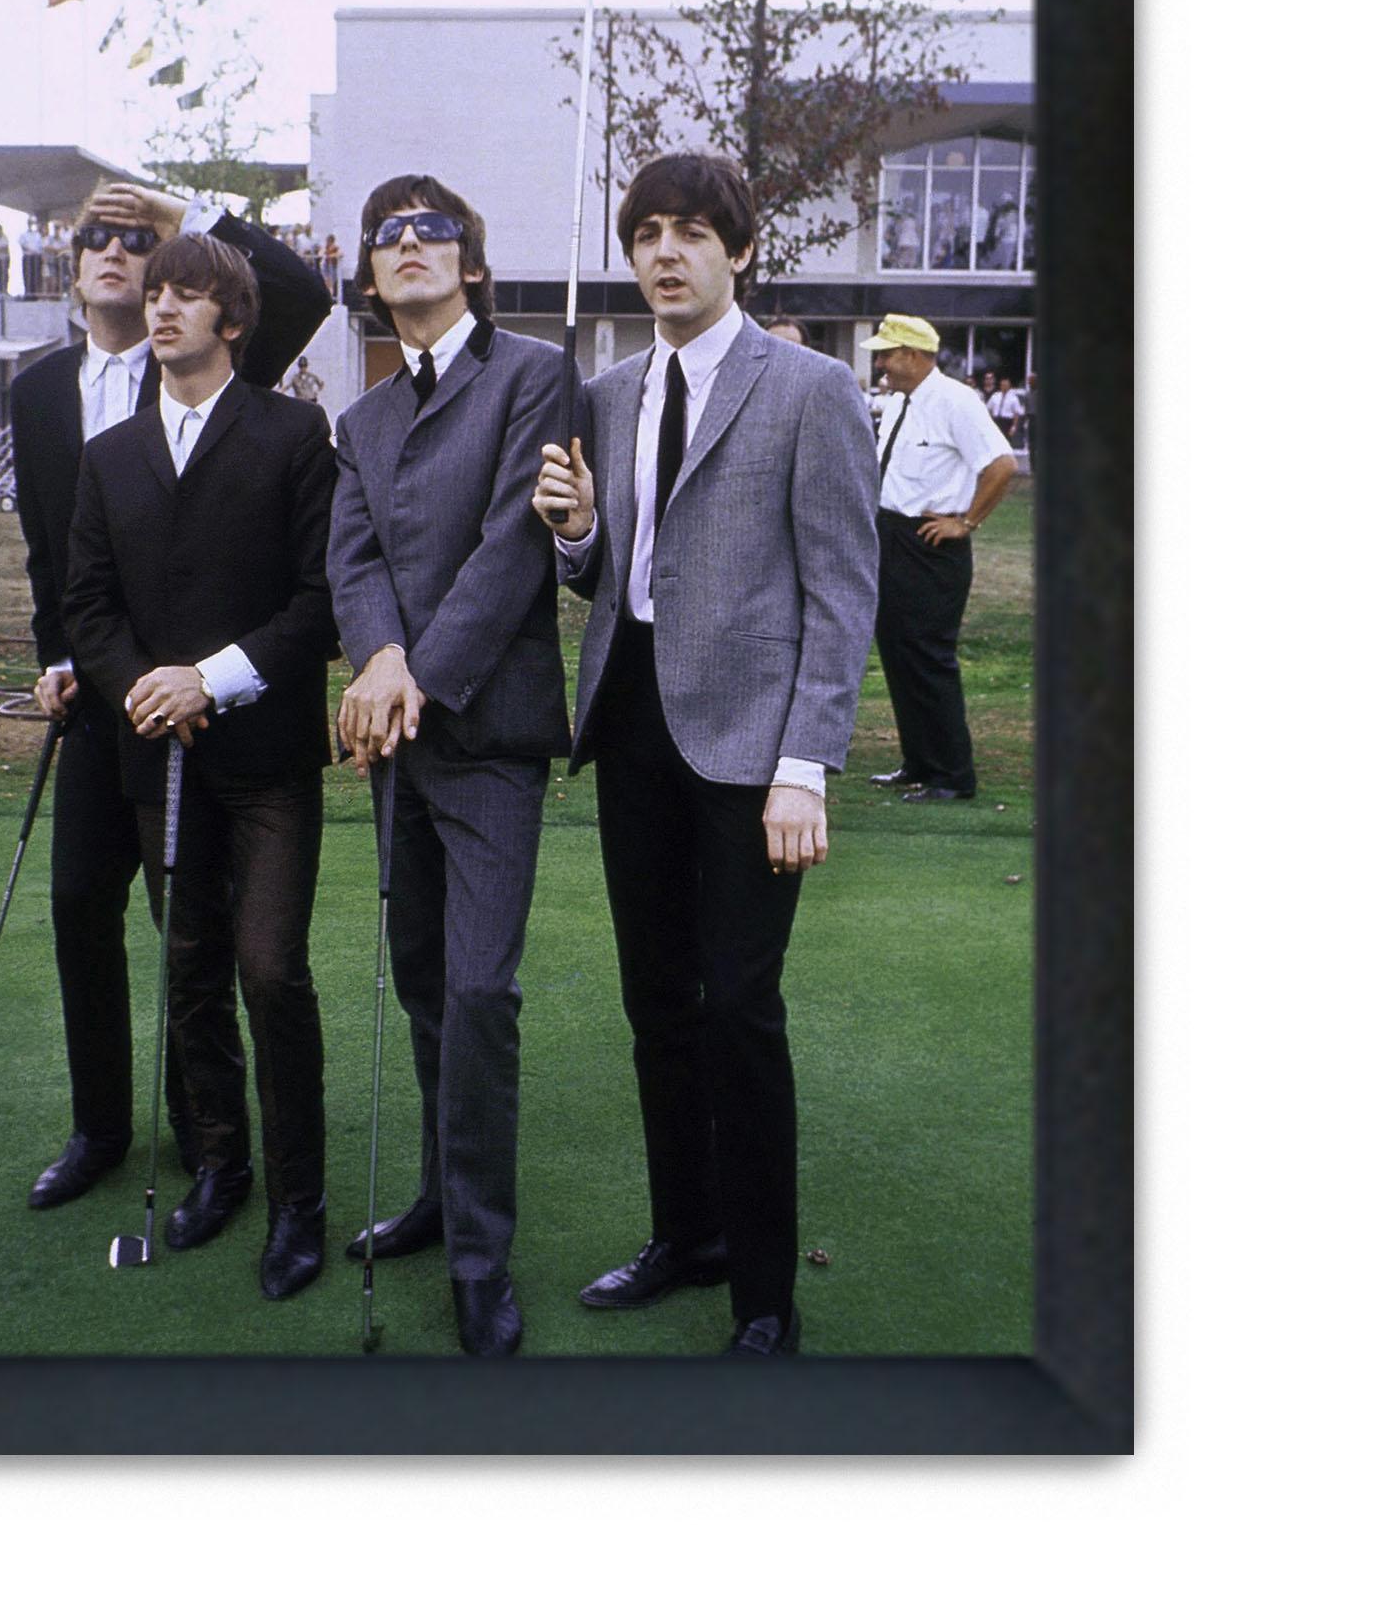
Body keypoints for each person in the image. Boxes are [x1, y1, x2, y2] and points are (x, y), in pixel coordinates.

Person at [532, 151, 878, 1358]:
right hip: (628, 721)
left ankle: (766, 1297)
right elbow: (606, 572)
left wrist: (805, 763)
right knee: (655, 1006)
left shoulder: (809, 389)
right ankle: (685, 1234)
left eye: (689, 231)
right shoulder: (610, 392)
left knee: (738, 1007)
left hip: (749, 747)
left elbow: (841, 590)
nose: (663, 252)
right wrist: (572, 537)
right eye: (645, 233)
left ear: (737, 247)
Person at [7, 179, 331, 1213]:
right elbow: (71, 585)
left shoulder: (286, 425)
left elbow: (319, 597)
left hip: (257, 743)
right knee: (169, 952)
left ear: (227, 319)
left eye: (178, 287)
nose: (156, 300)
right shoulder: (85, 435)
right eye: (150, 287)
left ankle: (281, 1187)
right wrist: (112, 673)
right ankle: (188, 1153)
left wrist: (211, 677)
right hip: (137, 732)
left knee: (265, 965)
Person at [327, 173, 569, 1358]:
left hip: (486, 736)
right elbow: (353, 553)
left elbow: (514, 543)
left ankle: (480, 1254)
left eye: (433, 231)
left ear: (469, 262)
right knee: (422, 983)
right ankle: (434, 1194)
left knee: (479, 993)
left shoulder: (532, 372)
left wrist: (413, 672)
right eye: (388, 234)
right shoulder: (361, 419)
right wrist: (375, 655)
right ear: (370, 277)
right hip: (395, 740)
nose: (409, 243)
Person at [862, 313, 1018, 804]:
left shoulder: (955, 401)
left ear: (913, 354)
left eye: (887, 353)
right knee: (898, 652)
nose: (881, 363)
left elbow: (1001, 464)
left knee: (927, 657)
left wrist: (966, 522)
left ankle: (953, 774)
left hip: (931, 543)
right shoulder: (898, 403)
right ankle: (920, 762)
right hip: (891, 536)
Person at [19, 217, 48, 298]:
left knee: (36, 276)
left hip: (36, 257)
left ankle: (35, 294)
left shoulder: (38, 235)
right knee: (27, 275)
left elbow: (40, 246)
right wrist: (32, 250)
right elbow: (23, 245)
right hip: (28, 257)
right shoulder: (23, 235)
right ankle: (28, 294)